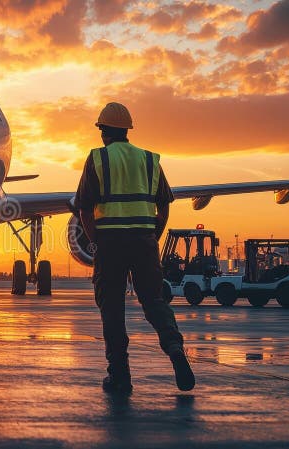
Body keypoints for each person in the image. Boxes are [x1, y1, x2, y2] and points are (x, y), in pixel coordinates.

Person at [74, 102, 194, 394]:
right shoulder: (149, 159)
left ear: (103, 131)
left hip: (110, 243)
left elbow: (84, 209)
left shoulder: (98, 158)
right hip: (144, 241)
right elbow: (164, 203)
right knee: (154, 301)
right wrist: (153, 234)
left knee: (112, 309)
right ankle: (175, 347)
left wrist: (95, 241)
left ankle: (120, 375)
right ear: (127, 130)